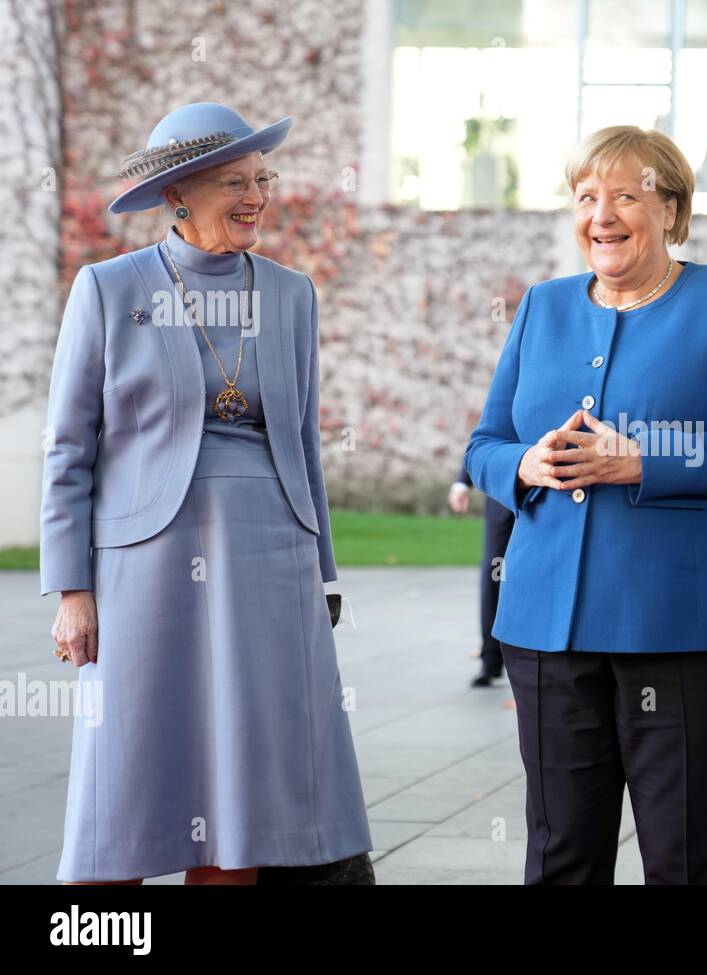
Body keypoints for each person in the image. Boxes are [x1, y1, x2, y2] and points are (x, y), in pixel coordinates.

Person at [42, 102, 372, 884]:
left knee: (240, 800)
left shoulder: (292, 294)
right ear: (178, 193)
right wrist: (71, 587)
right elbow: (67, 449)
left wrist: (323, 567)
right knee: (120, 792)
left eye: (263, 177)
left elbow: (301, 443)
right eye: (236, 181)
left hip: (270, 563)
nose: (257, 194)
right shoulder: (106, 289)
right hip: (144, 570)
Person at [465, 125, 707, 884]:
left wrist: (642, 458)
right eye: (586, 197)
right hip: (548, 629)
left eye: (624, 195)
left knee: (684, 857)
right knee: (560, 856)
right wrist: (527, 463)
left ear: (671, 209)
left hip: (685, 627)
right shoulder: (542, 308)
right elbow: (483, 444)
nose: (602, 214)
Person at [448, 461, 513, 686]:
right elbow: (489, 432)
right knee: (493, 576)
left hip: (555, 498)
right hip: (503, 498)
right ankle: (491, 660)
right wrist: (462, 483)